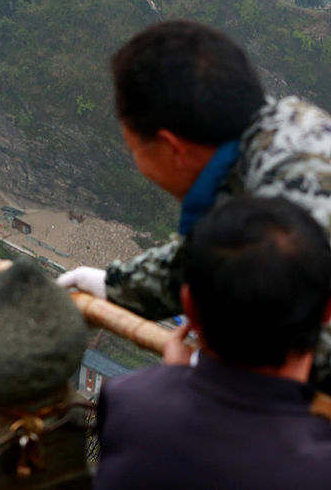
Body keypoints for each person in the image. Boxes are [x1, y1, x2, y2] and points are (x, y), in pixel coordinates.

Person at [57, 19, 331, 388]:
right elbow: (223, 258)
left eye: (134, 147)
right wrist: (117, 287)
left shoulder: (299, 196)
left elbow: (297, 339)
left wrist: (215, 376)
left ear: (173, 149)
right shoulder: (274, 135)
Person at [94, 196, 331, 489]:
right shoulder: (319, 465)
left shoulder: (128, 401)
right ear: (327, 310)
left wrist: (176, 381)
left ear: (189, 305)